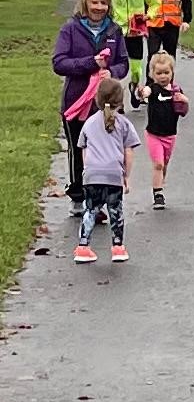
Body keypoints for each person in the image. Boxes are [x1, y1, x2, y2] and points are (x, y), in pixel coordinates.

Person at [52, 0, 128, 217]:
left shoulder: (114, 31)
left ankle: (97, 201)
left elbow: (123, 63)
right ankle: (78, 197)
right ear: (85, 3)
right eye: (94, 2)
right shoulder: (70, 29)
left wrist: (112, 72)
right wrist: (89, 64)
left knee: (103, 153)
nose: (98, 7)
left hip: (106, 105)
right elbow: (59, 63)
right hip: (76, 103)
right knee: (78, 150)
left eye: (103, 3)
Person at [73, 78, 140, 264]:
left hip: (92, 175)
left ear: (97, 99)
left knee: (91, 210)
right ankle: (118, 247)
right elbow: (128, 151)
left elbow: (84, 149)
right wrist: (126, 175)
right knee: (115, 211)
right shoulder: (124, 124)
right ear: (120, 101)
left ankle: (83, 247)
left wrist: (87, 171)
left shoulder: (89, 123)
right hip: (113, 175)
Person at [106, 0, 160, 110]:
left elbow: (155, 3)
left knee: (136, 69)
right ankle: (118, 101)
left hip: (135, 33)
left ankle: (133, 86)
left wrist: (149, 16)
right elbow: (102, 5)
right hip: (117, 32)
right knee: (116, 68)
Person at [138, 51, 189, 210]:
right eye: (158, 73)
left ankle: (160, 183)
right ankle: (158, 194)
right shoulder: (153, 89)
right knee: (158, 164)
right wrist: (141, 93)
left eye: (166, 72)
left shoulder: (176, 91)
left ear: (172, 72)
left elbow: (183, 111)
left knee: (164, 165)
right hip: (154, 134)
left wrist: (184, 101)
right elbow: (144, 93)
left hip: (170, 135)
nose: (163, 76)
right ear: (152, 74)